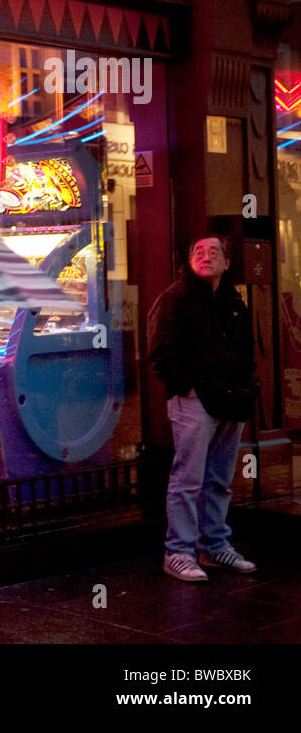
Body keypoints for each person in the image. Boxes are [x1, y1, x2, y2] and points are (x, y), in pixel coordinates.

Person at [147, 233, 258, 582]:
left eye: (214, 252)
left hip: (231, 400)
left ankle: (214, 546)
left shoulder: (234, 300)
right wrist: (188, 389)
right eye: (199, 251)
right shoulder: (176, 298)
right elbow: (161, 352)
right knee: (188, 479)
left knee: (220, 479)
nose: (206, 257)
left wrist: (247, 387)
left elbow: (245, 350)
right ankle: (178, 552)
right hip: (195, 402)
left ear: (227, 262)